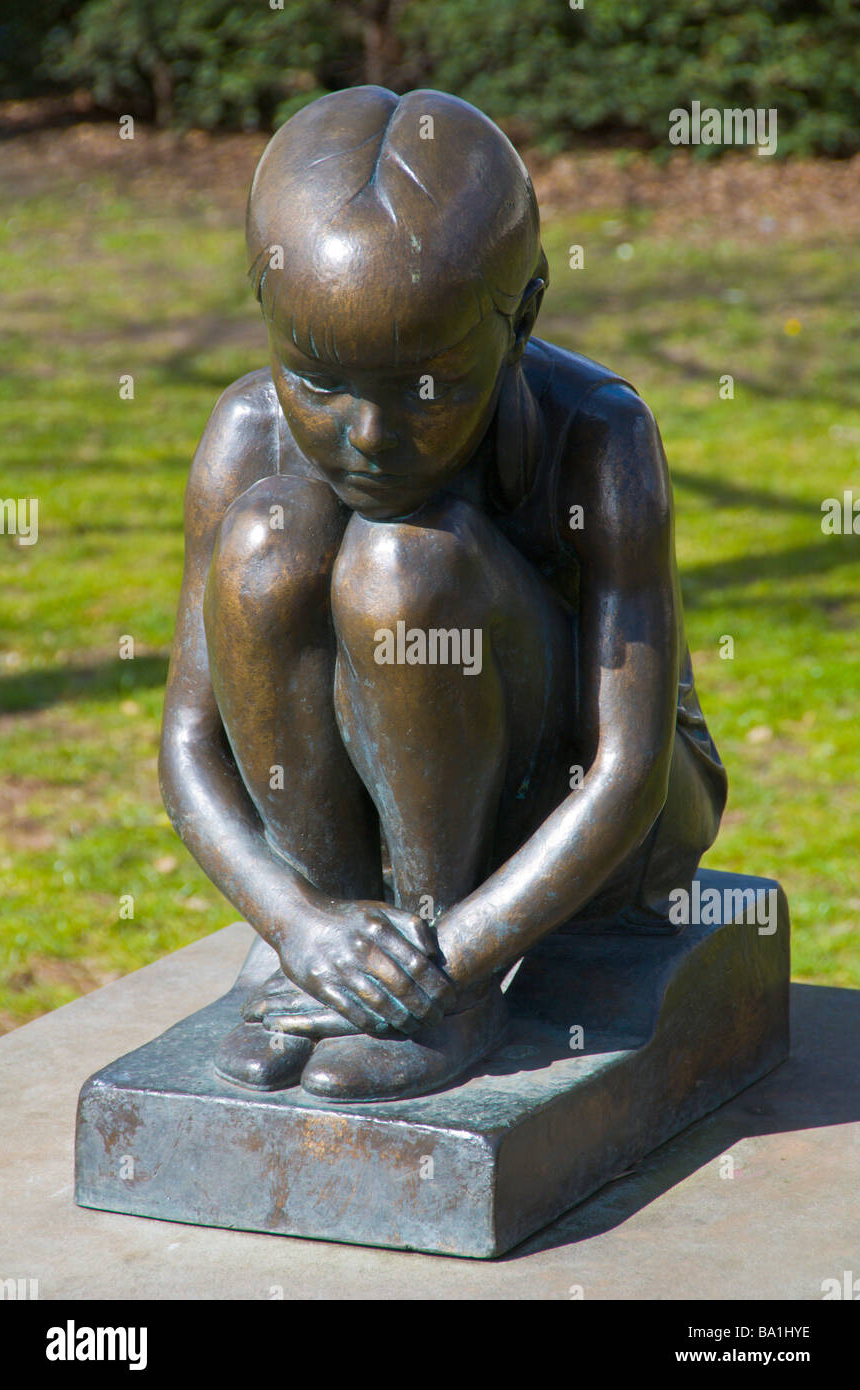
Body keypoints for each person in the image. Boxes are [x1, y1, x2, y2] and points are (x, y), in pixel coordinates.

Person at [159, 86, 727, 1102]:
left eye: (427, 387)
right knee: (265, 549)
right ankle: (340, 948)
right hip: (359, 865)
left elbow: (629, 769)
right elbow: (188, 744)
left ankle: (423, 987)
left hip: (610, 815)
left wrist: (444, 964)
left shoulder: (601, 437)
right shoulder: (245, 435)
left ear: (524, 317)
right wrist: (296, 924)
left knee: (404, 565)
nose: (368, 436)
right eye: (320, 381)